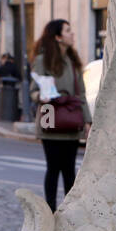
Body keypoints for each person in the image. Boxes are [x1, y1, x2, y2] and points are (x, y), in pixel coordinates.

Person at [30, 19, 93, 211]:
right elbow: (33, 91)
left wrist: (87, 120)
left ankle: (68, 211)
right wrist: (42, 96)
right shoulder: (43, 61)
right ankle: (50, 210)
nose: (72, 34)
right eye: (68, 31)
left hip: (71, 117)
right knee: (53, 167)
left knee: (69, 170)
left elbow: (81, 93)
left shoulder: (73, 61)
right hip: (50, 115)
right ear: (58, 37)